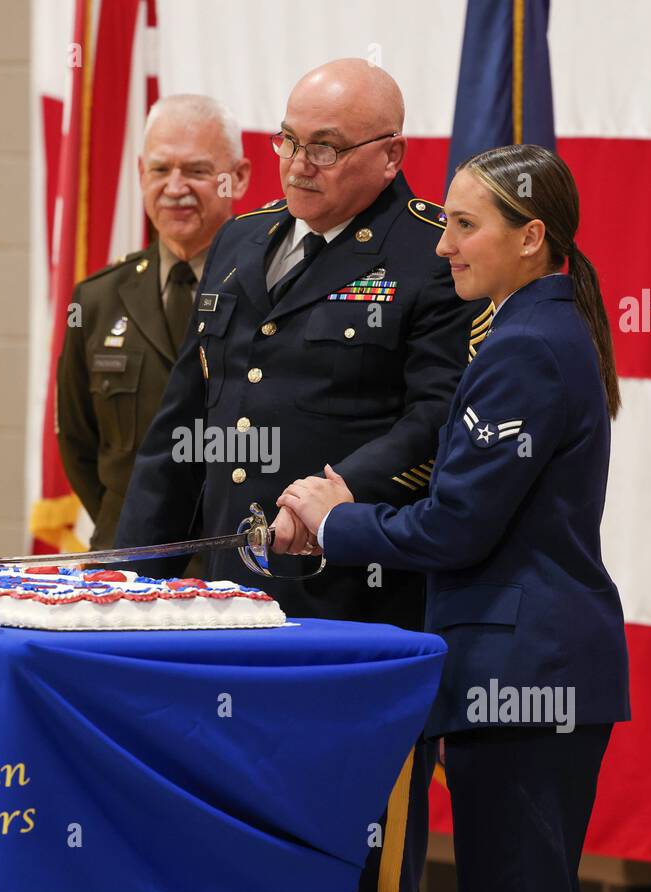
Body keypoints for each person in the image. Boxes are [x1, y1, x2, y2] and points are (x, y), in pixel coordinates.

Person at [278, 144, 631, 892]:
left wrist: (338, 522)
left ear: (530, 237)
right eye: (445, 223)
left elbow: (456, 527)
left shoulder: (525, 348)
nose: (444, 246)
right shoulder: (538, 329)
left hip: (524, 676)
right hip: (531, 671)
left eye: (466, 225)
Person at [115, 59, 489, 629]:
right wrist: (128, 582)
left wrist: (326, 501)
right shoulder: (240, 239)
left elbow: (437, 419)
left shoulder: (433, 255)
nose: (297, 164)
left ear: (391, 156)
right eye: (288, 140)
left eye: (325, 148)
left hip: (349, 589)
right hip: (226, 588)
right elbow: (183, 426)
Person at [56, 95, 251, 549]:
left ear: (237, 178)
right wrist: (137, 529)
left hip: (233, 558)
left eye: (197, 170)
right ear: (142, 173)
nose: (175, 187)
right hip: (127, 559)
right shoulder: (98, 299)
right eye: (161, 170)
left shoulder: (273, 292)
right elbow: (79, 445)